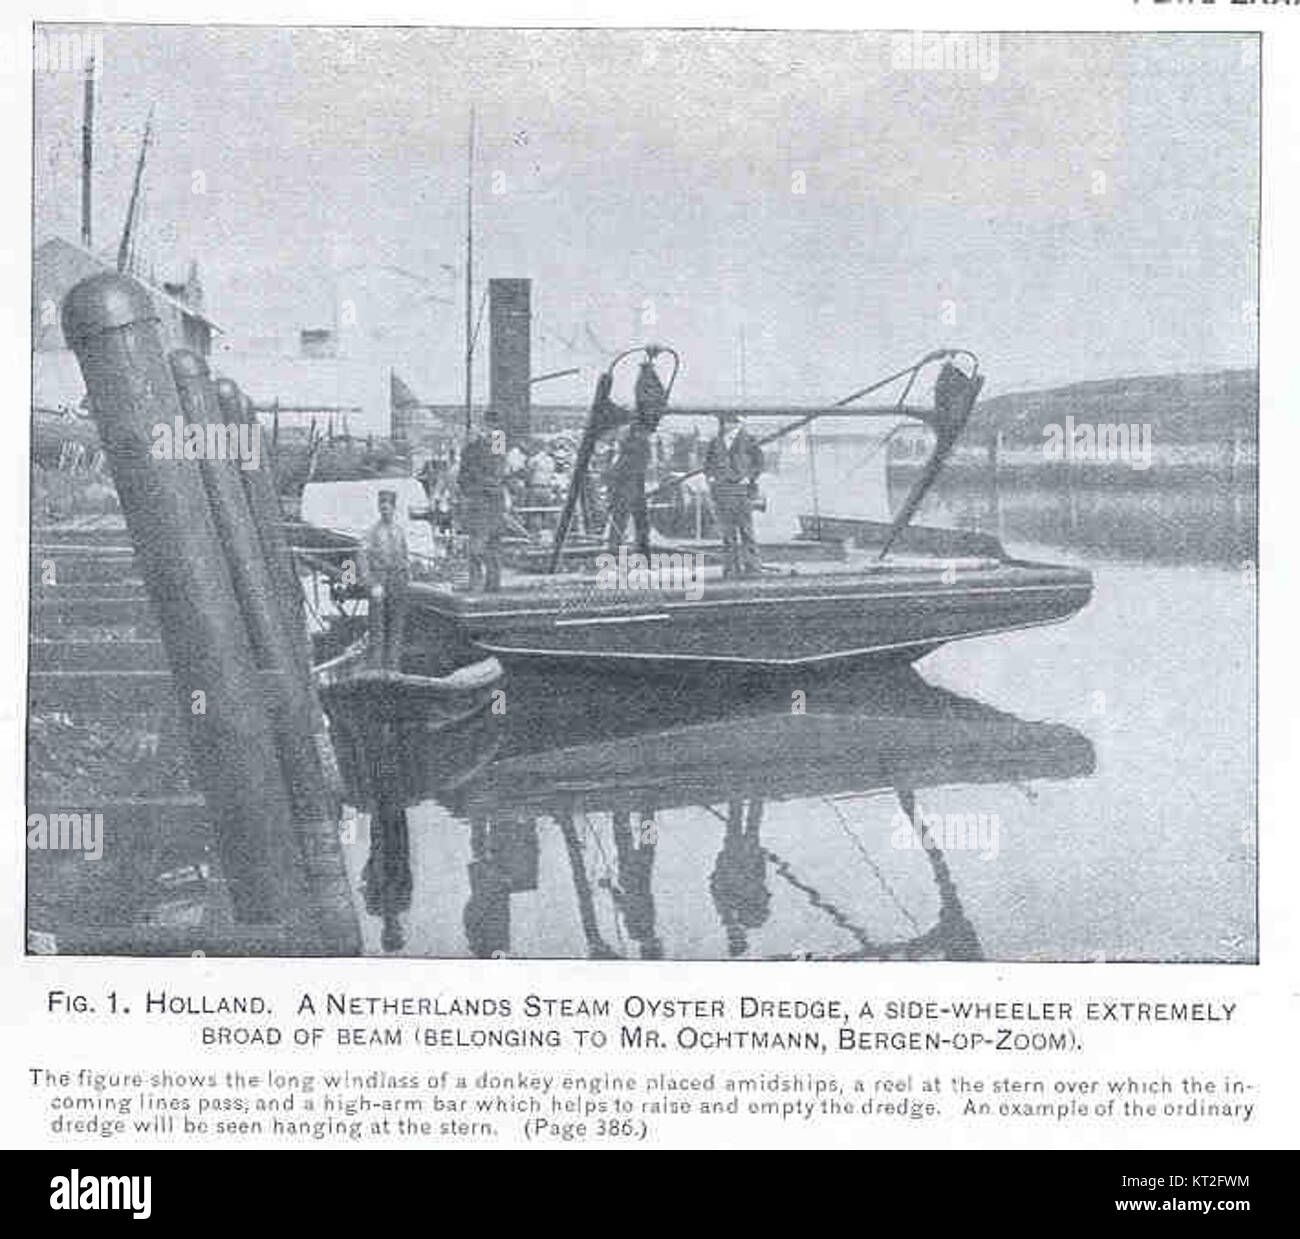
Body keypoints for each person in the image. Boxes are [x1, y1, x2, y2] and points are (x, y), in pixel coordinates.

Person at [704, 411, 764, 577]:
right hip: (722, 490)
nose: (726, 426)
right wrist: (710, 478)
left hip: (741, 491)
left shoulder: (749, 440)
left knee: (746, 529)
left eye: (730, 422)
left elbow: (759, 463)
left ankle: (752, 567)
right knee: (728, 532)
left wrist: (749, 478)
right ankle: (731, 568)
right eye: (724, 423)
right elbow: (708, 464)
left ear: (737, 423)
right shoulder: (715, 442)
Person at [362, 489, 410, 670]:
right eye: (382, 506)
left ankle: (393, 668)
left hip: (398, 582)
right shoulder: (372, 533)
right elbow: (362, 558)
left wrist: (407, 576)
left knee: (396, 627)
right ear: (378, 508)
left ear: (394, 508)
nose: (385, 510)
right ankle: (376, 668)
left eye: (388, 507)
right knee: (378, 629)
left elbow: (405, 556)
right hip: (380, 580)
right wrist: (372, 584)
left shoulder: (399, 531)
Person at [457, 431, 505, 592]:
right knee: (490, 548)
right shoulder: (495, 445)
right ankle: (488, 584)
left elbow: (464, 479)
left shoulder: (475, 450)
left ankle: (480, 584)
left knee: (479, 549)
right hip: (490, 505)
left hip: (483, 505)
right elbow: (498, 472)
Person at [604, 420, 654, 558]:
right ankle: (639, 551)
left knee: (623, 522)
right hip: (631, 490)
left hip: (630, 490)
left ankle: (616, 551)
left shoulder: (630, 452)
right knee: (636, 523)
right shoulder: (637, 450)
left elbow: (615, 473)